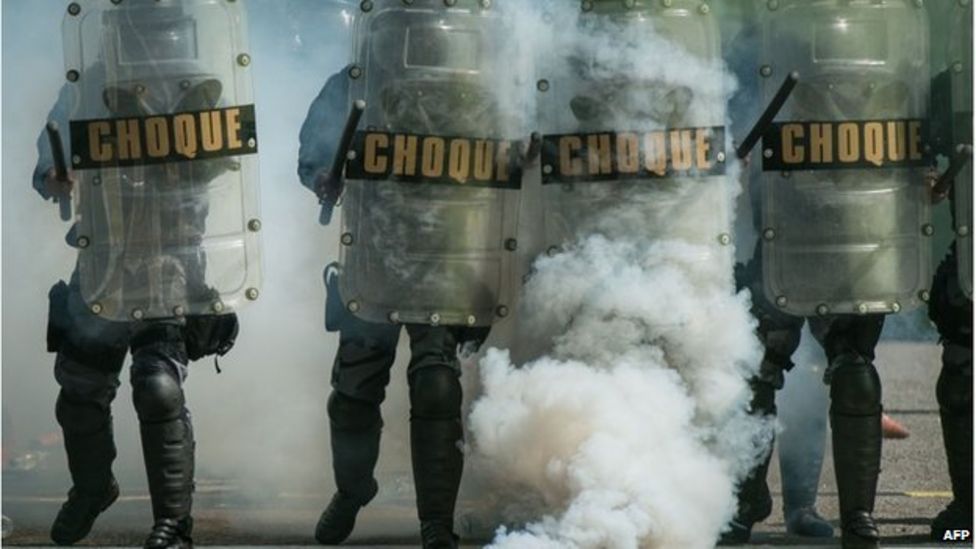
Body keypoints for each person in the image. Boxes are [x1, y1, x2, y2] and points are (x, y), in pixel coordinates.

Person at [298, 2, 527, 547]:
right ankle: (353, 490)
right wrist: (322, 174)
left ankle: (436, 525)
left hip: (445, 258)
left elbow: (516, 156)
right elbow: (315, 152)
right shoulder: (358, 81)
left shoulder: (486, 84)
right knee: (354, 390)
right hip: (376, 256)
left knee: (436, 386)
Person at [38, 1, 258, 547]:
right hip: (105, 262)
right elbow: (50, 154)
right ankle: (93, 488)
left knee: (158, 387)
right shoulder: (89, 85)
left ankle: (174, 525)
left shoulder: (202, 90)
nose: (152, 43)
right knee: (80, 390)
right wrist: (55, 174)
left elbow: (231, 163)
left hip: (171, 263)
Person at [724, 2, 933, 548]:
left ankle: (839, 513)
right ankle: (747, 502)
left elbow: (914, 108)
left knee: (841, 366)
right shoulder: (770, 34)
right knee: (763, 364)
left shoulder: (879, 32)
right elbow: (735, 107)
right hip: (784, 226)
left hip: (853, 227)